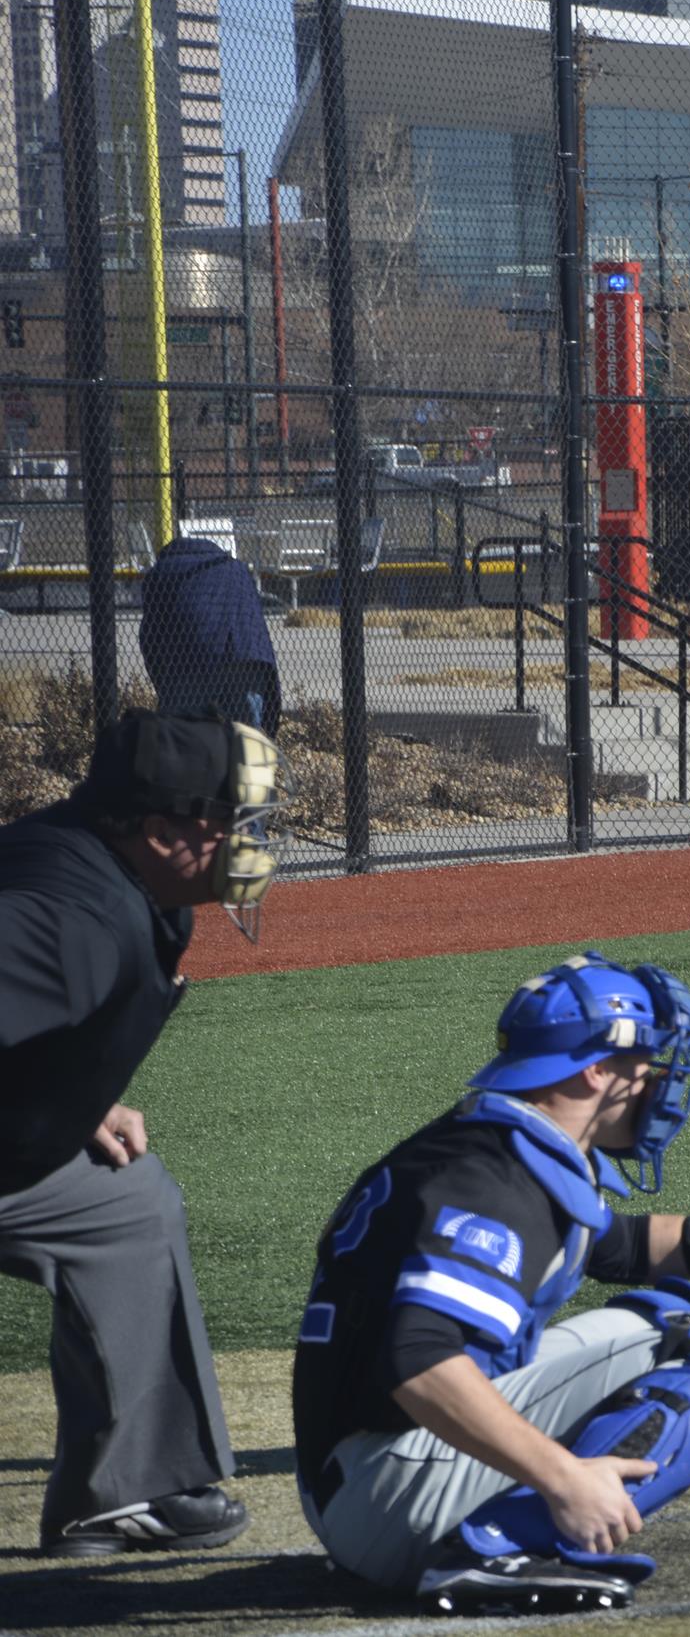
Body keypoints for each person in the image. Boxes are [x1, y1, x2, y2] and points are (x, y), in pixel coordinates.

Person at [291, 950, 690, 1615]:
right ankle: (488, 1548)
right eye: (642, 1065)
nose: (656, 1084)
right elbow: (418, 1361)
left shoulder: (501, 1141)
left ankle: (487, 1527)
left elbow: (622, 1248)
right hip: (386, 1490)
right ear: (594, 1069)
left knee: (669, 1317)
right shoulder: (488, 1184)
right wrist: (563, 1477)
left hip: (365, 1469)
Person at [0, 709, 287, 1557]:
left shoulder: (110, 870)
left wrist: (68, 1097)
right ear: (160, 831)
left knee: (126, 1204)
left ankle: (119, 1490)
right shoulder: (70, 919)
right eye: (234, 821)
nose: (254, 839)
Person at [140, 533, 282, 730]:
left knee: (185, 733)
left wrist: (163, 680)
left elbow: (151, 635)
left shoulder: (160, 573)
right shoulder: (235, 569)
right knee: (248, 734)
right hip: (247, 655)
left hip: (190, 661)